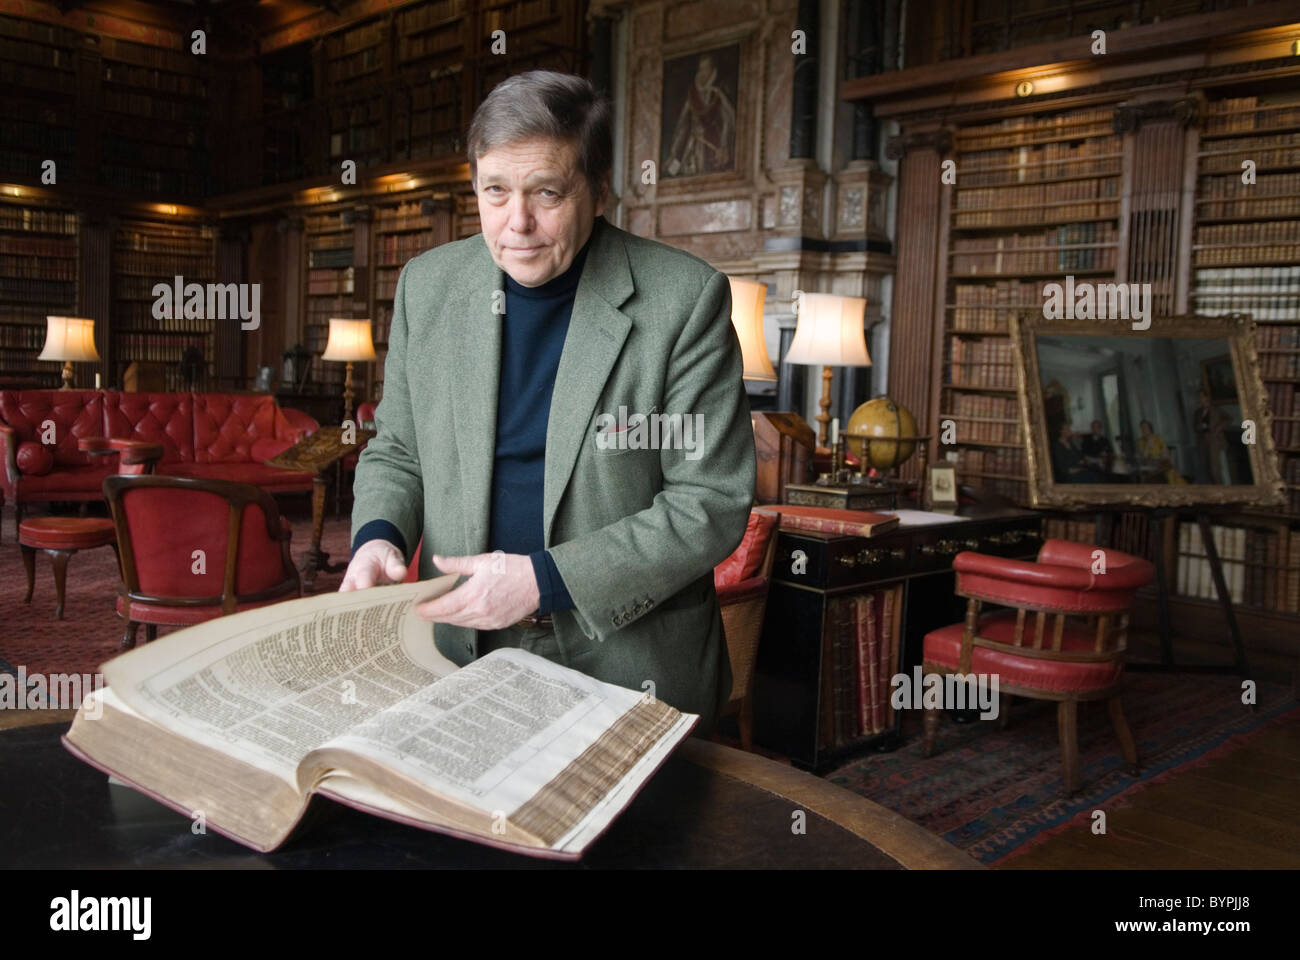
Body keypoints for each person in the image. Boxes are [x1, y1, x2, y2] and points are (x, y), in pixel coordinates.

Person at [340, 71, 756, 736]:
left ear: (598, 192)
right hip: (462, 650)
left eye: (547, 194)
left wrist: (544, 580)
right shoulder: (429, 287)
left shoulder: (685, 300)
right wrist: (376, 538)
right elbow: (399, 450)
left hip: (627, 664)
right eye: (495, 191)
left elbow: (709, 502)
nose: (517, 224)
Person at [1193, 388, 1229, 484]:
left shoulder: (1216, 410)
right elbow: (1195, 427)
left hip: (1215, 440)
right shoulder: (1198, 412)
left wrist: (1219, 428)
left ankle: (1221, 487)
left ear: (1207, 397)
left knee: (1215, 468)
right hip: (1203, 440)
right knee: (1205, 466)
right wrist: (1199, 427)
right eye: (1199, 397)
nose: (1200, 399)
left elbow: (1228, 419)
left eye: (1202, 397)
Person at [1136, 419, 1185, 485]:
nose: (1144, 430)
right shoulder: (1140, 441)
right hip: (1150, 463)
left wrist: (1163, 454)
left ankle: (1176, 485)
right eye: (1142, 428)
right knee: (1168, 468)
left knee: (1169, 467)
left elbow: (1165, 451)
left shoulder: (1158, 438)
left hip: (1161, 461)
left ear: (1150, 428)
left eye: (1146, 427)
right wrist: (1147, 444)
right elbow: (1144, 457)